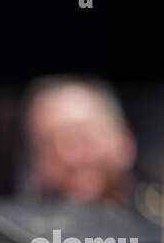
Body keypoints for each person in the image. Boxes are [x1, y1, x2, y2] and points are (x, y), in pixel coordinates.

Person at [21, 75, 138, 206]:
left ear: (124, 139)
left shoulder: (160, 222)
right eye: (49, 146)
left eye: (82, 137)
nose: (68, 157)